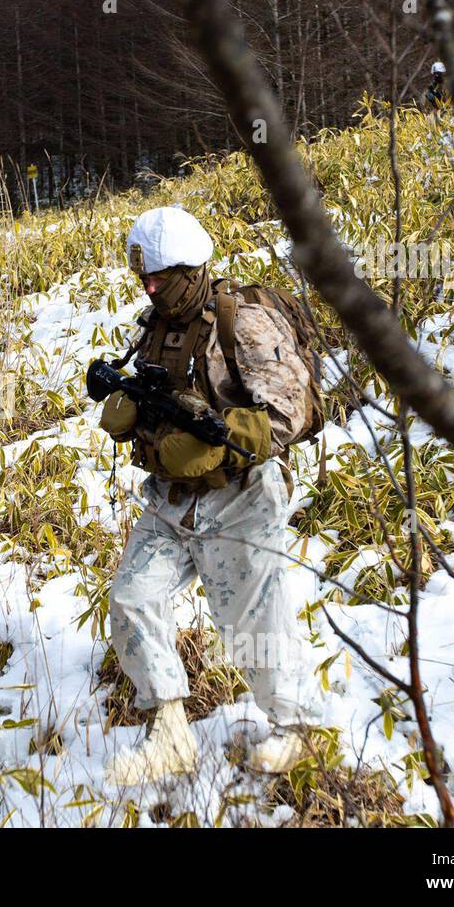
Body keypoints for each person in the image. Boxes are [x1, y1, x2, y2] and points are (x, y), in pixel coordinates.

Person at [99, 206, 320, 785]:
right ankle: (170, 733)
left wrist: (219, 447)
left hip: (240, 497)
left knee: (252, 623)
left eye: (158, 277)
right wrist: (130, 413)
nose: (147, 288)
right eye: (141, 278)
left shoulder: (241, 321)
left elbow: (288, 411)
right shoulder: (155, 324)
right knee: (132, 598)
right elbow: (156, 393)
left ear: (189, 268)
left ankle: (294, 730)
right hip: (171, 499)